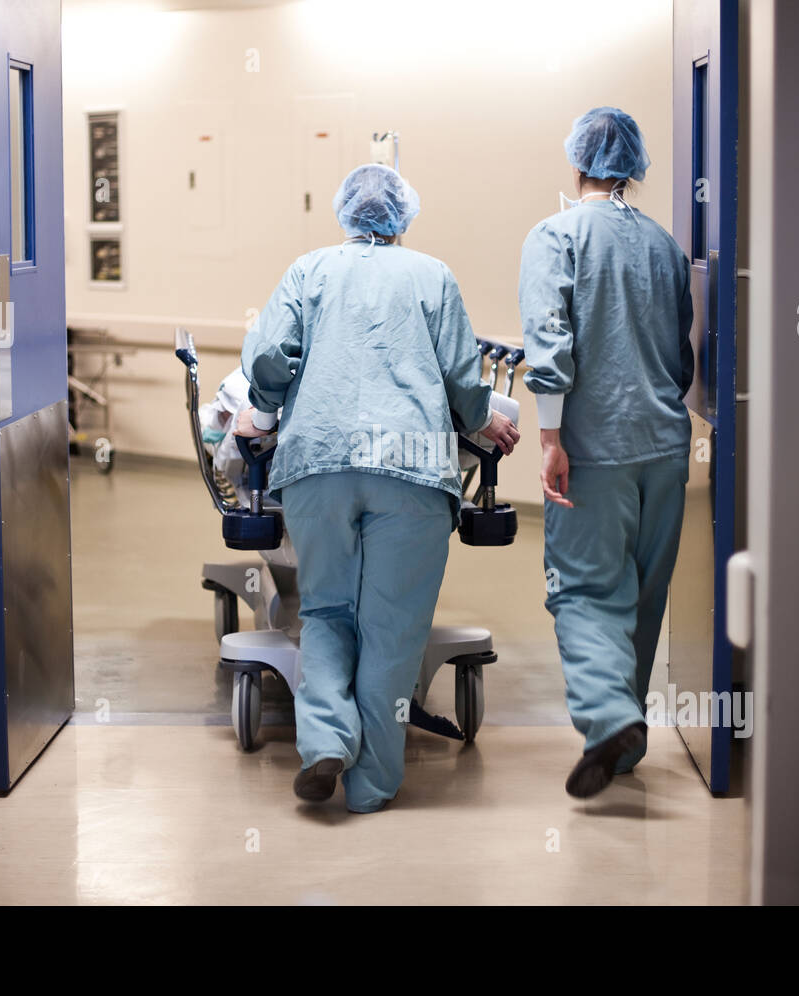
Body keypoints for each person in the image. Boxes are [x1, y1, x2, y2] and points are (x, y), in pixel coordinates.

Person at [237, 163, 519, 813]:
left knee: (327, 611)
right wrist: (484, 420)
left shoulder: (308, 270)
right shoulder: (432, 276)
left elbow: (268, 356)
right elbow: (462, 376)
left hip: (318, 467)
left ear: (344, 212)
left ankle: (327, 743)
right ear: (403, 216)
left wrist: (264, 406)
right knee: (393, 631)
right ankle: (371, 786)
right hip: (411, 471)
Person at [518, 107, 694, 798]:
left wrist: (553, 435)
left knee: (590, 594)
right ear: (635, 168)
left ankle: (611, 718)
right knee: (645, 599)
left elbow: (548, 337)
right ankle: (620, 748)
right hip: (666, 446)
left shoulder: (554, 236)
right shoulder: (666, 246)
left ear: (576, 164)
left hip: (595, 447)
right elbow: (680, 353)